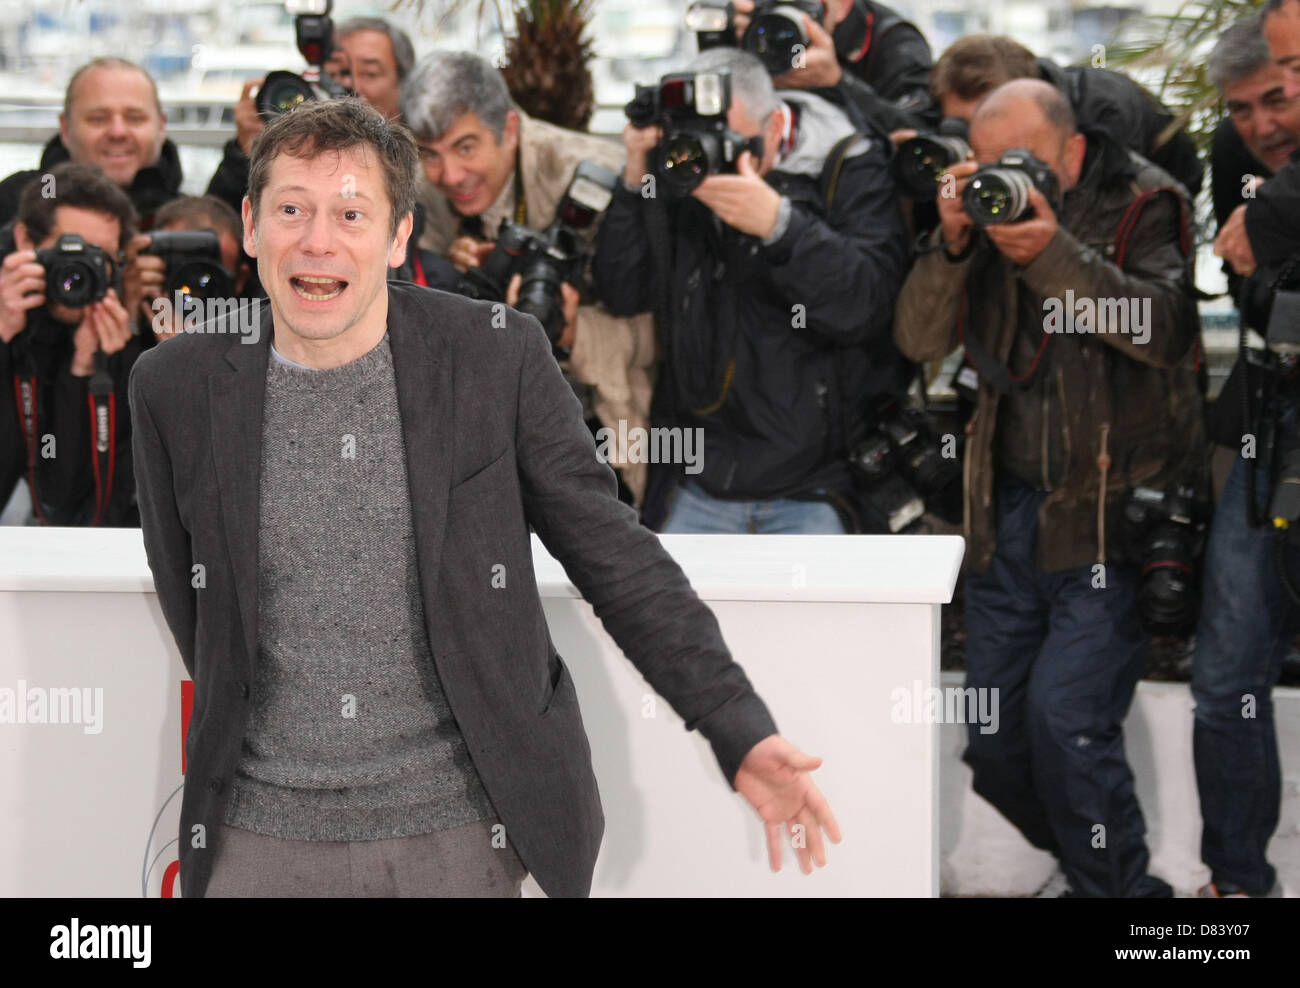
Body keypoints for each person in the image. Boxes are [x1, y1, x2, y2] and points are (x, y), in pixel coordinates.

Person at [128, 97, 839, 899]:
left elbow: (616, 557)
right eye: (293, 209)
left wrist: (736, 728)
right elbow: (192, 598)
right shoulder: (173, 385)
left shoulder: (494, 356)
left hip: (466, 831)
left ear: (399, 235)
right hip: (257, 837)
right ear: (252, 225)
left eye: (351, 213)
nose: (317, 240)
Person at [893, 79, 1205, 897]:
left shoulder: (1146, 200)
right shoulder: (986, 217)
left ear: (1070, 150)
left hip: (1106, 515)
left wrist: (1053, 253)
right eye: (986, 164)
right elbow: (916, 337)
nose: (1004, 179)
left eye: (1020, 161)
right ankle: (1097, 871)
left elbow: (1164, 332)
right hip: (1008, 512)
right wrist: (954, 244)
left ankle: (1125, 900)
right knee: (993, 740)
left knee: (1066, 724)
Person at [593, 48, 910, 533]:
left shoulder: (846, 167)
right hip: (699, 477)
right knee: (674, 609)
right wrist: (638, 176)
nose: (711, 158)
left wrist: (781, 227)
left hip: (815, 483)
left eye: (729, 141)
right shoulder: (679, 178)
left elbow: (866, 305)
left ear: (776, 127)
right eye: (695, 141)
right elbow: (622, 291)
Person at [404, 52, 658, 506]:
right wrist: (452, 273)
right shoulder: (420, 188)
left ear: (511, 128)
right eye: (430, 154)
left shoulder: (594, 177)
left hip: (598, 423)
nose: (451, 176)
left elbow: (660, 336)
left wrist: (575, 330)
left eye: (465, 147)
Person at [1183, 0, 1300, 899]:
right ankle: (1236, 886)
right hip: (1266, 421)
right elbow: (1248, 283)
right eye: (1243, 107)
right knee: (1226, 674)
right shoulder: (1236, 157)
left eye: (1280, 95)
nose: (1264, 122)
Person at [0, 162, 139, 526]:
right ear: (25, 242)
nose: (76, 275)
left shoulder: (119, 339)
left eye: (96, 259)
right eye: (67, 252)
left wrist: (86, 372)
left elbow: (67, 508)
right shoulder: (9, 321)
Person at [927, 35, 1204, 198]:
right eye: (963, 128)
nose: (979, 139)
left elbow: (1116, 210)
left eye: (993, 116)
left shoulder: (1106, 114)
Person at [0, 58, 181, 230]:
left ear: (161, 126)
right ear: (66, 128)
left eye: (135, 118)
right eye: (98, 119)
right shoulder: (13, 206)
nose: (117, 132)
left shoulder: (190, 219)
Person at [730, 0, 939, 133]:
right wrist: (734, 49)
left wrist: (838, 82)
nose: (785, 19)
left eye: (802, 5)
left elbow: (919, 129)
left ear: (844, 4)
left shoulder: (894, 42)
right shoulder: (756, 32)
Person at [1207, 14, 1300, 297]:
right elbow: (1238, 275)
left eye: (1277, 101)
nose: (1263, 128)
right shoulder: (1231, 147)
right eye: (1241, 110)